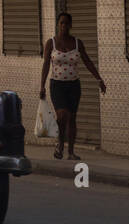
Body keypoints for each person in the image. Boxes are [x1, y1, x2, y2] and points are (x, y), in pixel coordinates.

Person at [39, 11, 106, 161]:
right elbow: (45, 65)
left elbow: (87, 61)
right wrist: (42, 86)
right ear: (58, 25)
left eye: (66, 23)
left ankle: (70, 151)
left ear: (70, 25)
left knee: (72, 118)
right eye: (61, 23)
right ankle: (60, 143)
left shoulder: (77, 43)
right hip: (57, 85)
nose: (64, 26)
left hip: (74, 85)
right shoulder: (51, 43)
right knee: (62, 115)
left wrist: (99, 79)